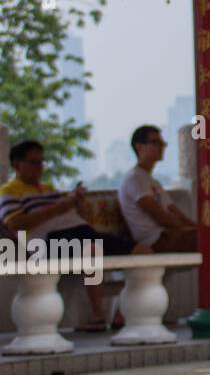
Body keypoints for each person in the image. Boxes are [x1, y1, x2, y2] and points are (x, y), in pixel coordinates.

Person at [1, 140, 143, 331]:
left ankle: (122, 312)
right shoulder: (9, 191)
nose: (40, 168)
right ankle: (98, 315)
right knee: (92, 251)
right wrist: (58, 208)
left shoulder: (49, 188)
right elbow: (15, 223)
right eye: (35, 163)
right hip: (48, 242)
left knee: (141, 250)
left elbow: (74, 216)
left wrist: (75, 203)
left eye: (42, 163)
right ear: (17, 164)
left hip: (82, 233)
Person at [118, 125, 198, 253]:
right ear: (139, 147)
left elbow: (176, 212)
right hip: (155, 241)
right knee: (209, 240)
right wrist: (191, 231)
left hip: (170, 235)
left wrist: (198, 228)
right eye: (155, 142)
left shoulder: (153, 181)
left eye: (162, 143)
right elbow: (160, 216)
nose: (161, 147)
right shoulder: (135, 178)